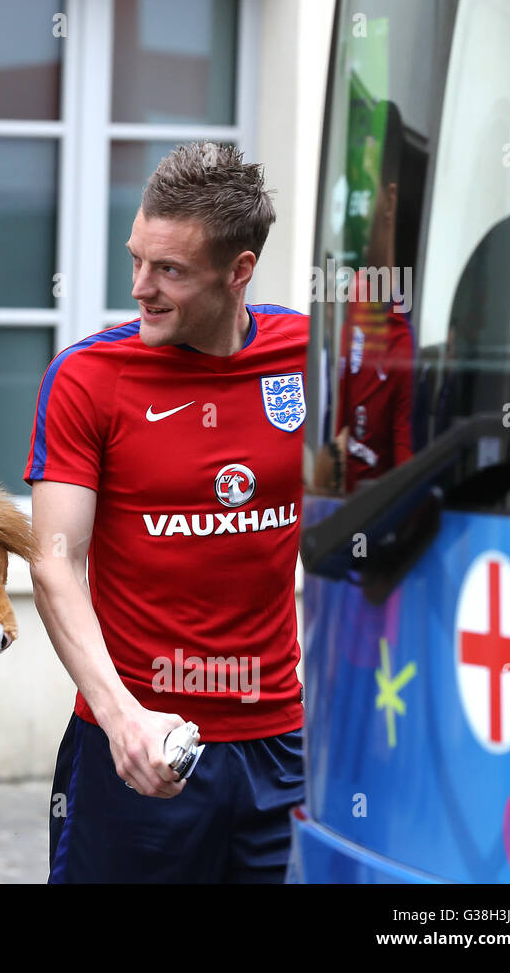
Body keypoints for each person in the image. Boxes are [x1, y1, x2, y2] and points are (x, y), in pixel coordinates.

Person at [26, 142, 308, 883]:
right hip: (139, 743)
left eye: (170, 271)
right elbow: (55, 561)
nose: (140, 288)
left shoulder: (308, 358)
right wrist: (122, 718)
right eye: (137, 259)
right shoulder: (88, 377)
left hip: (282, 744)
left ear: (239, 270)